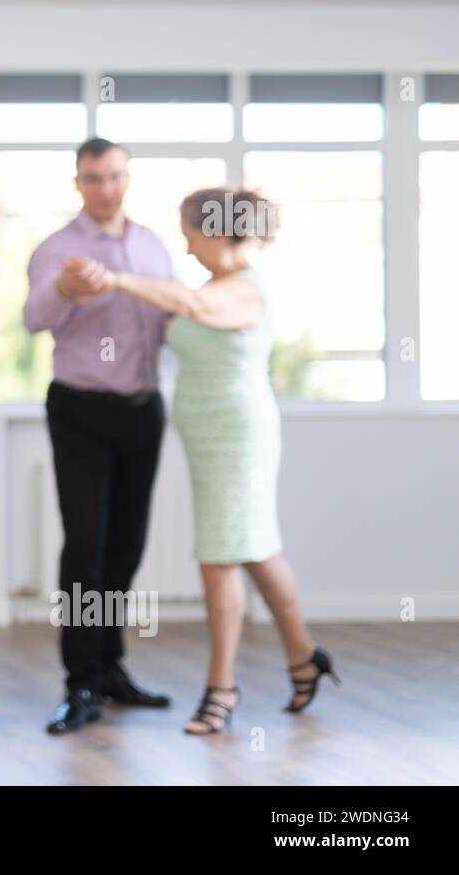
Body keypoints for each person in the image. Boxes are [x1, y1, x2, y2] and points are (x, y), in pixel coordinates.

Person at [77, 186, 339, 734]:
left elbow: (190, 307)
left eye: (191, 234)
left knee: (220, 554)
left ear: (217, 231)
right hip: (208, 441)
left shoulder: (243, 290)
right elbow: (184, 307)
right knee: (256, 552)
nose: (188, 247)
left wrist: (119, 278)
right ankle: (305, 657)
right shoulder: (214, 285)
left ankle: (221, 688)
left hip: (239, 440)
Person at [23, 138, 174, 735]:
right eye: (92, 178)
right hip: (81, 410)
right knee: (85, 547)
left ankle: (111, 668)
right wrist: (65, 289)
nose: (104, 188)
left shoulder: (153, 245)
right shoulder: (57, 250)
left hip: (144, 409)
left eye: (113, 177)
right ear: (78, 183)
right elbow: (33, 319)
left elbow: (173, 311)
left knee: (125, 548)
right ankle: (80, 680)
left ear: (127, 179)